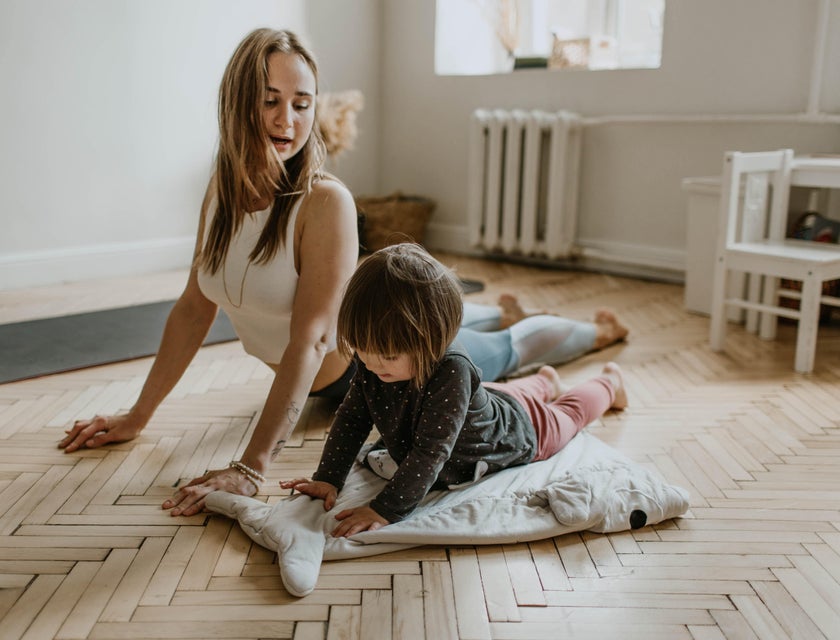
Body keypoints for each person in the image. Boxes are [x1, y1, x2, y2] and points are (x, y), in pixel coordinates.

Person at [57, 28, 626, 517]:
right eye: (270, 100)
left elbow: (311, 339)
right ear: (236, 102)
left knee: (503, 349)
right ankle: (509, 333)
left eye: (302, 103)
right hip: (355, 367)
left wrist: (252, 467)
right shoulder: (221, 193)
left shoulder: (323, 201)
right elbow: (191, 309)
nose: (288, 120)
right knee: (488, 341)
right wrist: (138, 415)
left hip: (391, 366)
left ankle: (595, 336)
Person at [281, 243, 627, 536]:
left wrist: (385, 509)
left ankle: (609, 383)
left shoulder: (452, 370)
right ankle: (545, 380)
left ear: (432, 340)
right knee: (507, 394)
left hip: (520, 430)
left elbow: (431, 452)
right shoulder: (376, 361)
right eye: (362, 352)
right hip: (488, 400)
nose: (371, 365)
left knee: (569, 413)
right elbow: (353, 417)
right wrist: (328, 477)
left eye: (386, 356)